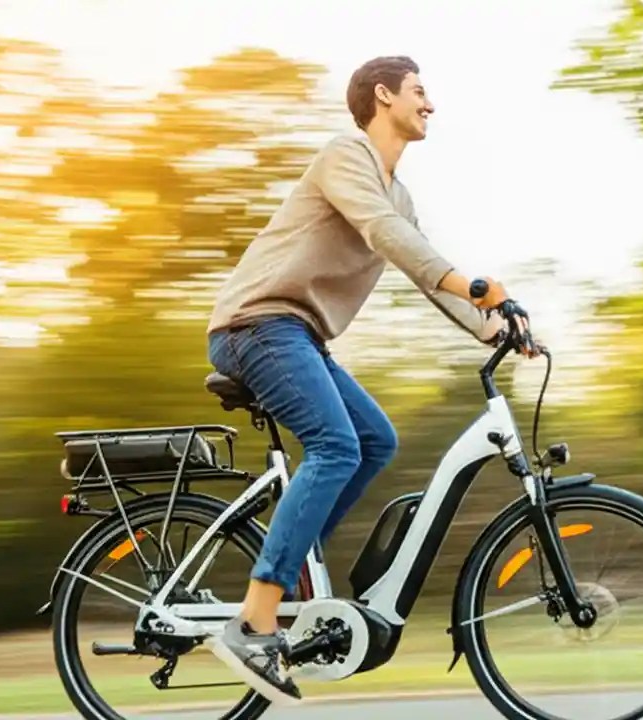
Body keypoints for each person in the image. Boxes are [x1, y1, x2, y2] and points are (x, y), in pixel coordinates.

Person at [204, 56, 531, 705]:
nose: (430, 103)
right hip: (257, 326)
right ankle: (253, 619)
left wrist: (494, 327)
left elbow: (418, 266)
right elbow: (384, 236)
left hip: (297, 336)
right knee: (336, 446)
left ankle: (292, 570)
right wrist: (469, 281)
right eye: (419, 90)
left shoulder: (398, 192)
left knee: (374, 441)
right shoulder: (345, 156)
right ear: (383, 95)